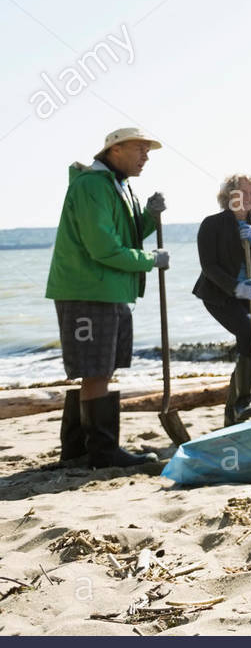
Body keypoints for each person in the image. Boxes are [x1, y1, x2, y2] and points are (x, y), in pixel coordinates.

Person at [45, 127, 168, 469]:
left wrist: (148, 217)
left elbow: (124, 235)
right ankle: (101, 453)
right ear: (115, 151)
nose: (146, 157)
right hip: (88, 291)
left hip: (106, 290)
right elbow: (103, 248)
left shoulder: (118, 186)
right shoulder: (91, 186)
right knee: (96, 370)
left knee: (100, 369)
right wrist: (150, 260)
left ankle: (79, 449)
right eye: (140, 149)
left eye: (148, 151)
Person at [193, 174, 251, 426]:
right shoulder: (212, 224)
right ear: (229, 196)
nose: (248, 198)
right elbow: (209, 266)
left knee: (250, 344)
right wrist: (235, 287)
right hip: (219, 295)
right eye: (242, 192)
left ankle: (233, 413)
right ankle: (243, 400)